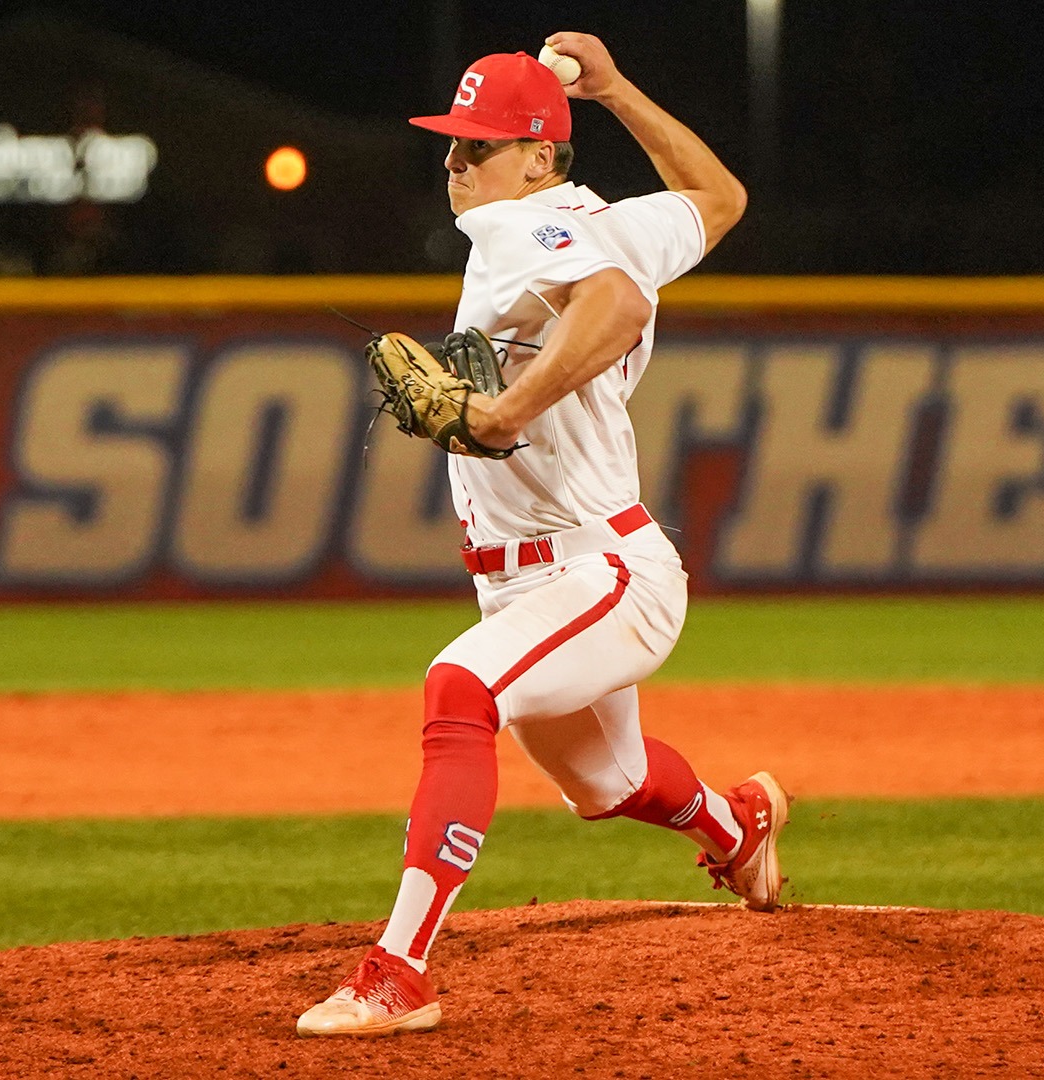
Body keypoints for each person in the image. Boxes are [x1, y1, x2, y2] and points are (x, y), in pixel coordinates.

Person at [295, 34, 787, 1037]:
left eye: (477, 145)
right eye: (451, 146)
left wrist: (508, 409)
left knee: (458, 690)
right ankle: (740, 826)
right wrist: (615, 90)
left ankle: (398, 975)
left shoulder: (523, 226)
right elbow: (721, 200)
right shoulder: (602, 220)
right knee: (613, 782)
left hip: (600, 566)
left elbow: (612, 300)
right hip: (540, 577)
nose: (455, 165)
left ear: (535, 155)